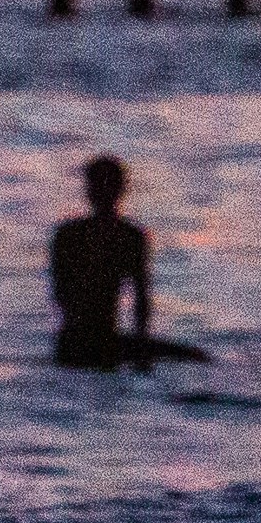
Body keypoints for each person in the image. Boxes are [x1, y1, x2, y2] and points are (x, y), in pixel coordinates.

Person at [49, 155, 154, 368]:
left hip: (71, 344)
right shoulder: (130, 237)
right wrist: (141, 353)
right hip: (104, 343)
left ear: (88, 191)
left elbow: (60, 294)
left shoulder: (67, 235)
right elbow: (141, 301)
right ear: (122, 191)